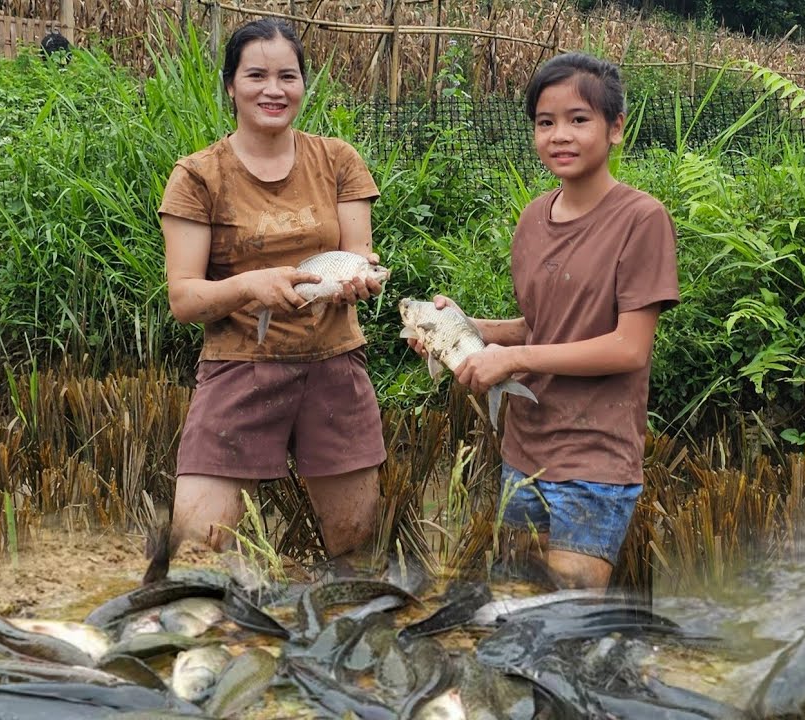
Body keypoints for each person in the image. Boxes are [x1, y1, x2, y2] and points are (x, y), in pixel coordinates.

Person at [407, 52, 680, 590]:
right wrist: (467, 329)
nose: (560, 135)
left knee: (566, 617)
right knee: (518, 605)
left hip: (596, 459)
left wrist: (513, 359)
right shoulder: (533, 218)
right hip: (525, 450)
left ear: (615, 128)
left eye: (578, 119)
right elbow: (544, 326)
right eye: (545, 122)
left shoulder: (642, 219)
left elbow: (629, 347)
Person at [146, 19, 386, 583]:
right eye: (256, 75)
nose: (273, 90)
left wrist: (363, 279)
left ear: (304, 84)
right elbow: (184, 297)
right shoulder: (198, 176)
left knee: (356, 553)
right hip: (239, 367)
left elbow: (361, 256)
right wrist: (251, 286)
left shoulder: (338, 160)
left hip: (333, 366)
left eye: (288, 76)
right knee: (198, 553)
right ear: (231, 84)